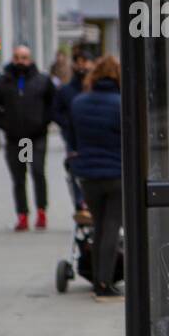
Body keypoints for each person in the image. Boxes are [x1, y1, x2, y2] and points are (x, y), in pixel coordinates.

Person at [70, 55, 124, 301]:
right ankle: (105, 282)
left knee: (100, 226)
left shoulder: (79, 103)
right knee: (112, 227)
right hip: (115, 174)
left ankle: (98, 279)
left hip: (88, 176)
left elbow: (72, 139)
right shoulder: (121, 104)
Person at [0, 45, 55, 231]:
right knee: (19, 178)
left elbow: (52, 103)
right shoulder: (3, 81)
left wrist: (44, 122)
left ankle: (41, 211)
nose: (20, 61)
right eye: (17, 57)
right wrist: (4, 124)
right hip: (15, 138)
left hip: (36, 137)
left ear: (30, 59)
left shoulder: (42, 80)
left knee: (38, 172)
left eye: (24, 57)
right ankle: (22, 215)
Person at [51, 43, 96, 212]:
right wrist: (68, 124)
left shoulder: (96, 88)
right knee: (76, 169)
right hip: (73, 138)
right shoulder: (66, 90)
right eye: (78, 62)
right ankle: (80, 203)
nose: (82, 65)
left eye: (85, 61)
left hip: (96, 136)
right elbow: (55, 111)